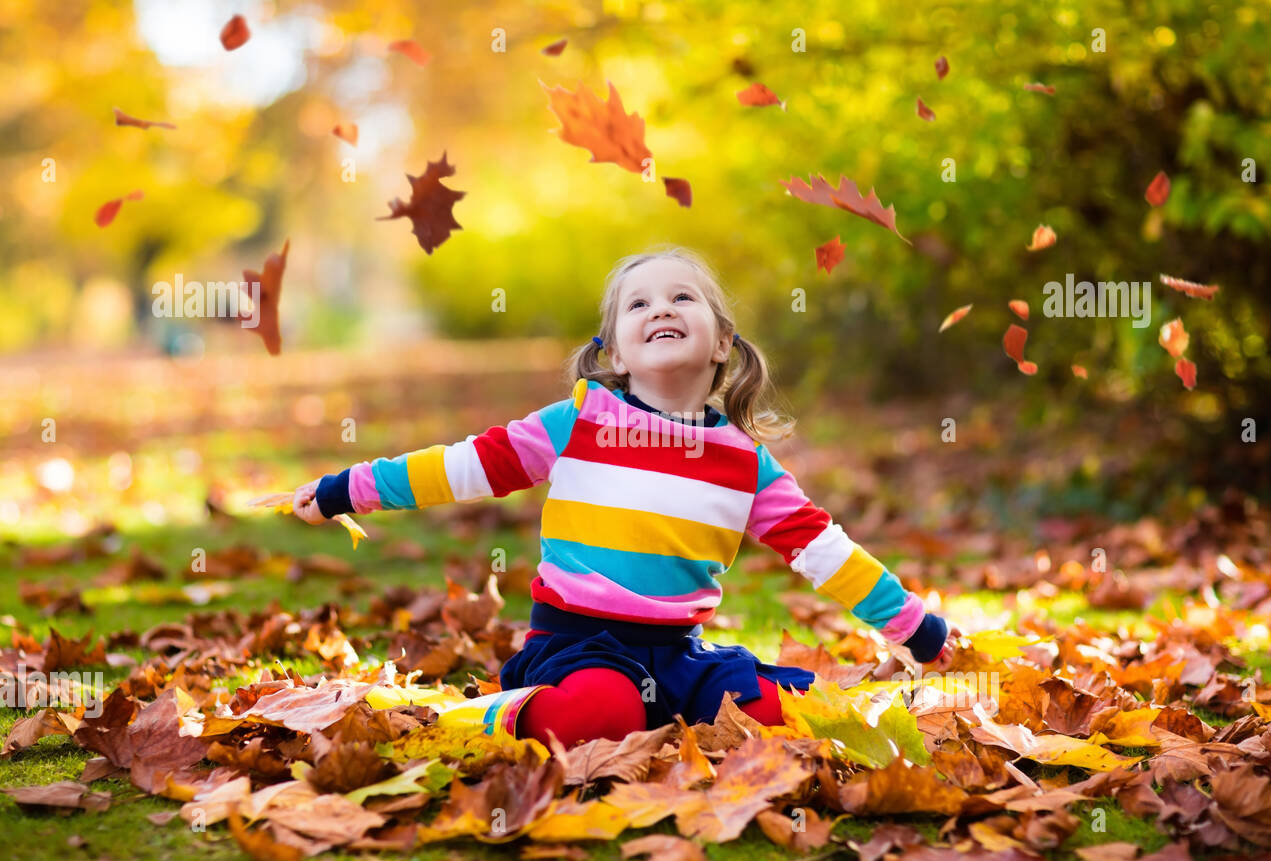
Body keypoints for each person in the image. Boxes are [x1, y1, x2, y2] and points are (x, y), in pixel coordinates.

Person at [292, 246, 959, 749]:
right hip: (579, 645)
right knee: (601, 716)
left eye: (681, 299)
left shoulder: (745, 463)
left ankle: (669, 714)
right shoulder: (579, 421)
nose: (661, 309)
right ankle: (497, 709)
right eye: (639, 304)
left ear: (722, 341)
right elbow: (465, 466)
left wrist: (915, 629)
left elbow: (824, 550)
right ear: (614, 352)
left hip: (680, 655)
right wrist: (345, 490)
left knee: (788, 712)